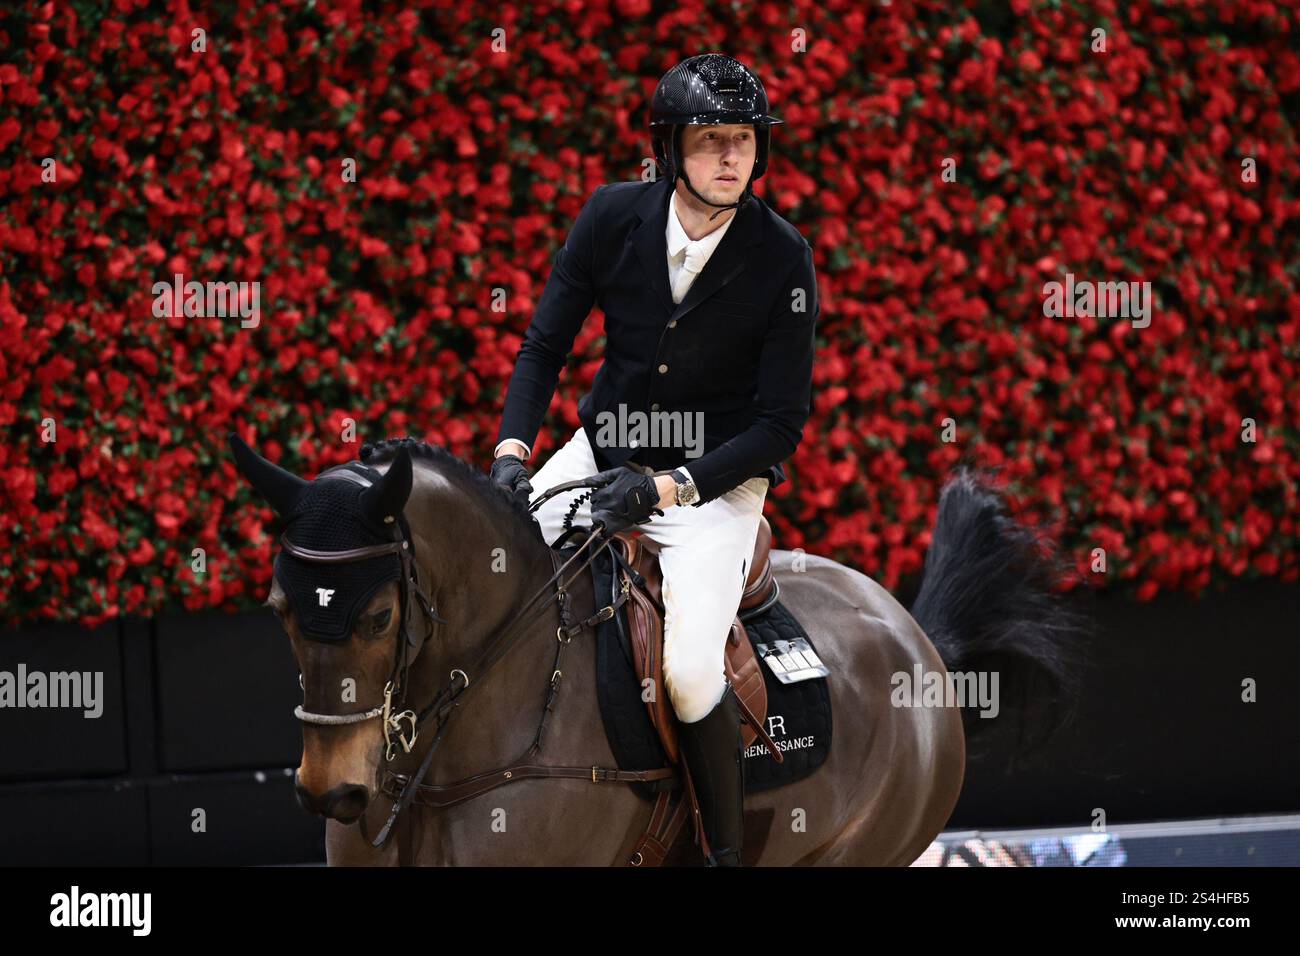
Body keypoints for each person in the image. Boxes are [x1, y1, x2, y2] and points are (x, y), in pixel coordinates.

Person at [489, 53, 819, 866]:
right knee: (498, 584)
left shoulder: (783, 257)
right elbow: (545, 344)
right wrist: (511, 453)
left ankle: (720, 856)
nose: (731, 156)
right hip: (602, 453)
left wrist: (671, 486)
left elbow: (780, 425)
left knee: (691, 677)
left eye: (743, 139)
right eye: (711, 140)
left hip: (712, 491)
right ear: (671, 150)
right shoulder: (611, 218)